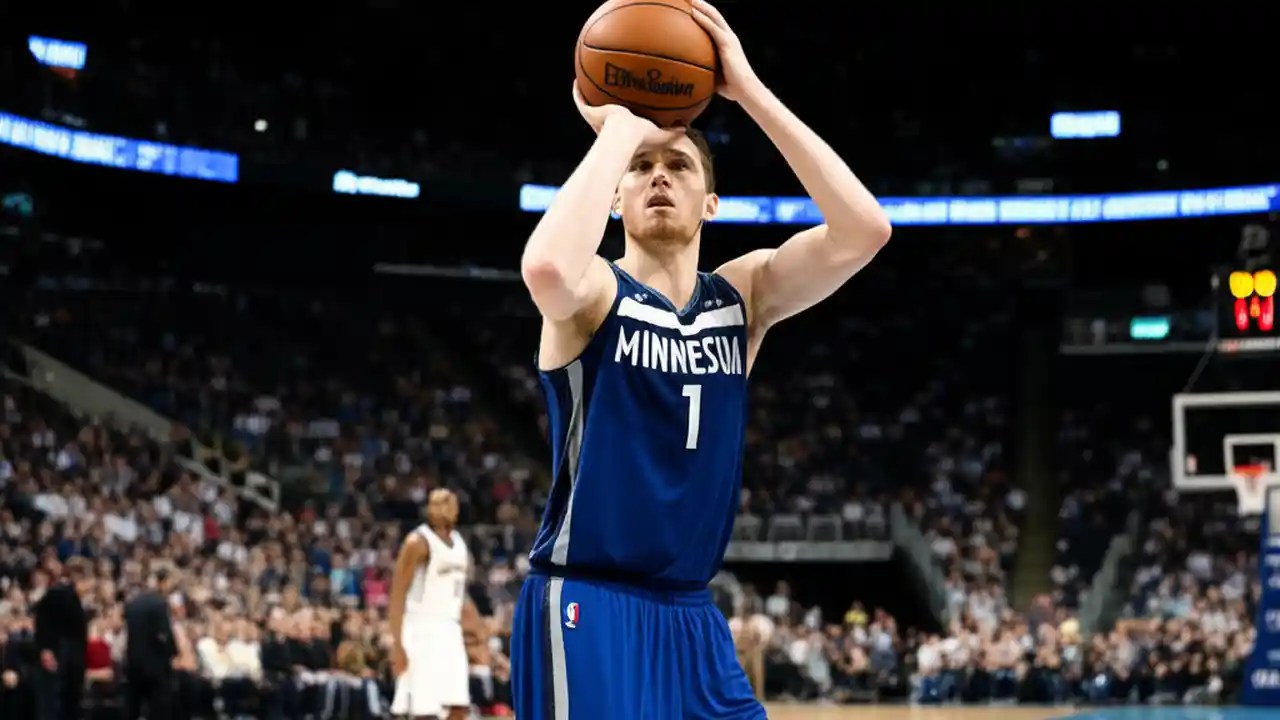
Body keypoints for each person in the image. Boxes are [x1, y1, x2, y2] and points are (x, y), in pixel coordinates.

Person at [510, 1, 892, 717]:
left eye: (678, 164)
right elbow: (547, 272)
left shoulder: (740, 297)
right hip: (587, 602)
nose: (659, 175)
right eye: (642, 169)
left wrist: (746, 89)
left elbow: (865, 230)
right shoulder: (596, 291)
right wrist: (619, 133)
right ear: (616, 197)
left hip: (692, 614)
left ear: (711, 202)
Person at [388, 489, 483, 720]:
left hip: (450, 629)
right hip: (421, 628)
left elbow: (459, 592)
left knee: (458, 705)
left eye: (447, 503)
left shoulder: (460, 542)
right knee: (424, 711)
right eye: (436, 503)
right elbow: (397, 593)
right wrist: (397, 644)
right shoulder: (417, 542)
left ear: (457, 509)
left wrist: (478, 626)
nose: (442, 508)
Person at [32, 558, 88, 720]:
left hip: (65, 657)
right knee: (57, 703)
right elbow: (44, 623)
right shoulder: (61, 593)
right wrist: (46, 649)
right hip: (62, 656)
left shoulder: (65, 595)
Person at [122, 570, 178, 720]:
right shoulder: (159, 604)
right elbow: (163, 635)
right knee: (159, 710)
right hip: (155, 666)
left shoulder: (133, 603)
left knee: (132, 709)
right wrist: (173, 652)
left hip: (133, 663)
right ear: (163, 582)